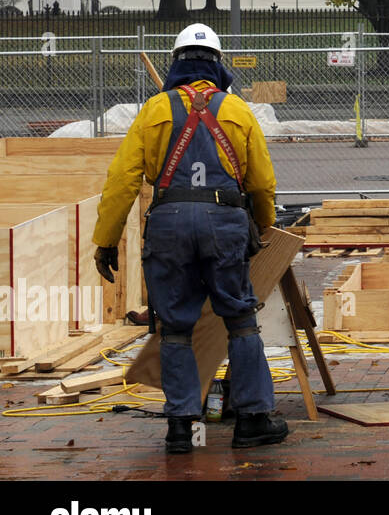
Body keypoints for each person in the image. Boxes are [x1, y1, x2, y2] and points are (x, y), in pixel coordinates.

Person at [91, 24, 283, 454]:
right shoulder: (238, 111)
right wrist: (264, 228)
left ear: (175, 62)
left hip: (169, 224)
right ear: (217, 64)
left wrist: (105, 239)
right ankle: (252, 421)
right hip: (224, 222)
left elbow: (122, 180)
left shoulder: (154, 111)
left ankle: (182, 427)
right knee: (240, 321)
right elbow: (262, 183)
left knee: (175, 328)